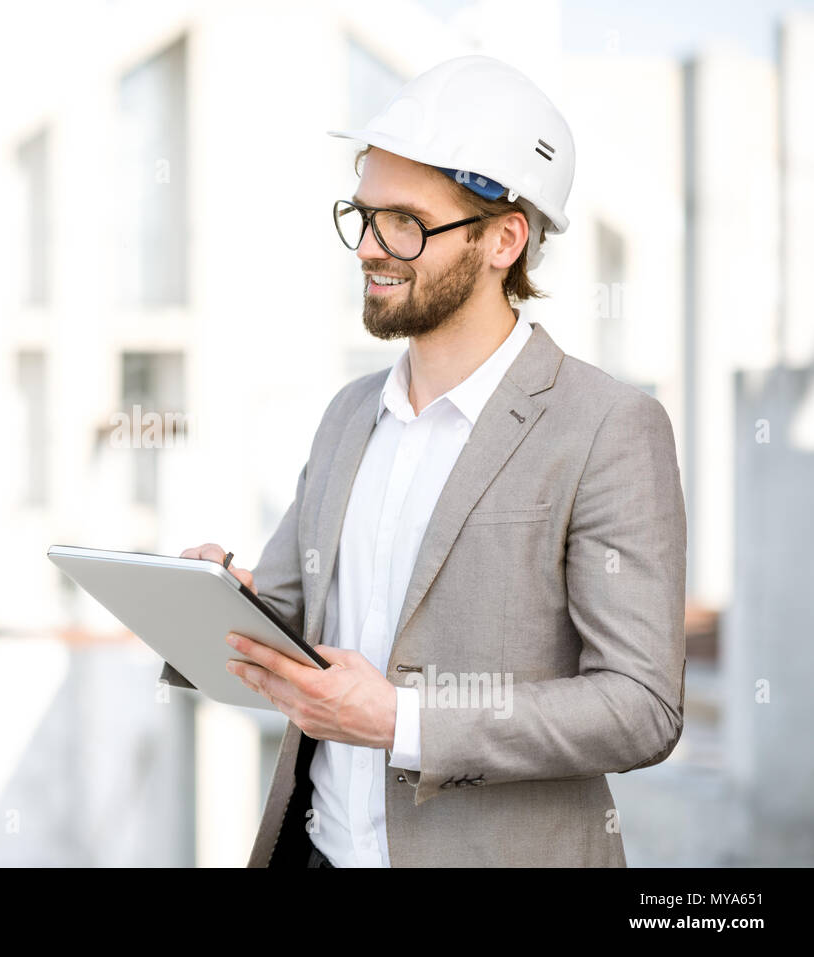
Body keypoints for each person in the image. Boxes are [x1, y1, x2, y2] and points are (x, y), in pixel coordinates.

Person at [159, 54, 687, 867]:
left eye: (405, 222)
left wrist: (400, 719)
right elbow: (292, 635)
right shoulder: (347, 415)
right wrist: (215, 608)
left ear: (505, 238)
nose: (370, 247)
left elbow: (641, 707)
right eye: (362, 215)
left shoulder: (609, 428)